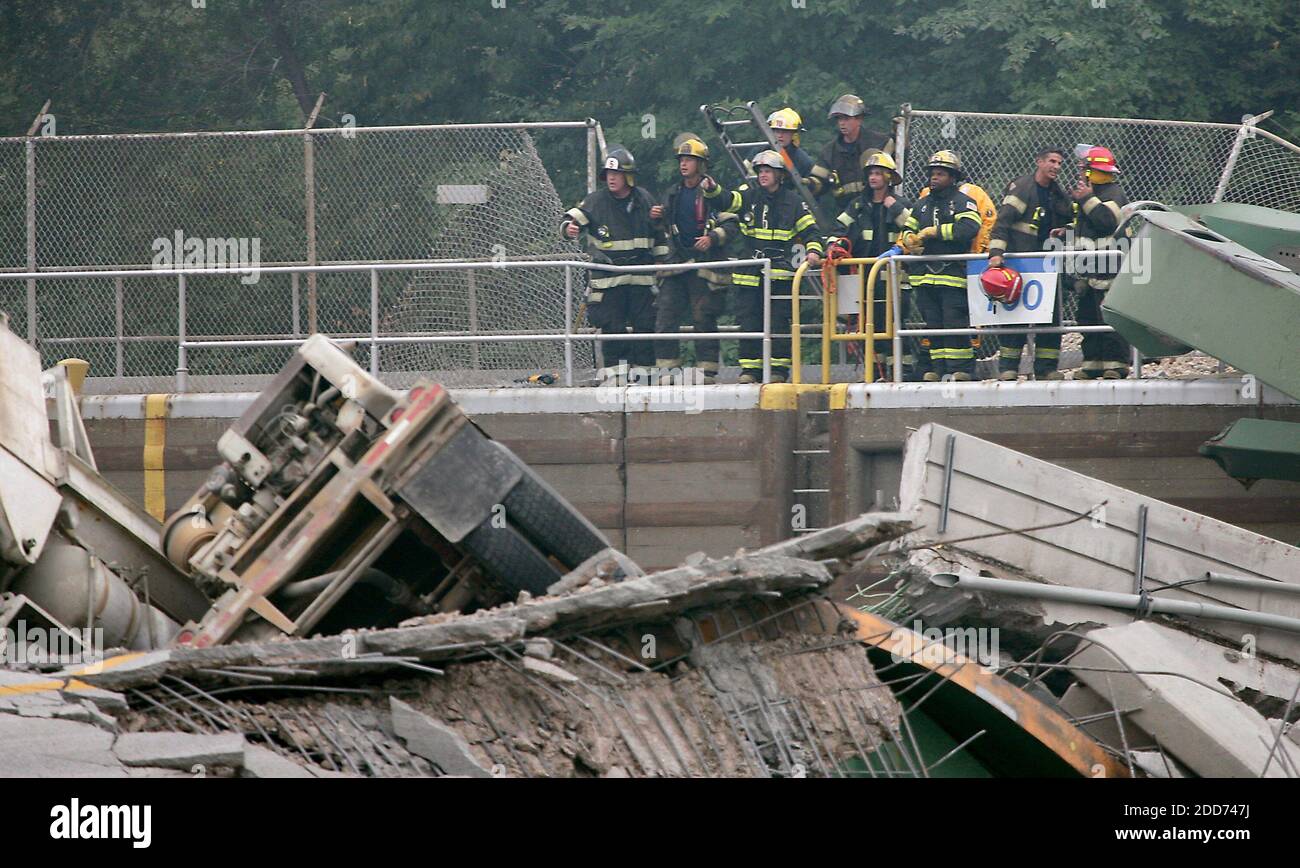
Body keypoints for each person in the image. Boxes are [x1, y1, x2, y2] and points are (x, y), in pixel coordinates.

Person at [702, 150, 824, 383]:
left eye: (768, 171)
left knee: (778, 323)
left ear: (780, 175)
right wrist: (712, 189)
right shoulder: (750, 196)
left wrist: (814, 250)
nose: (763, 175)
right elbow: (727, 200)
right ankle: (750, 370)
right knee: (749, 322)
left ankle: (778, 371)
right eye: (760, 171)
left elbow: (811, 231)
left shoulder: (793, 202)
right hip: (750, 275)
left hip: (779, 275)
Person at [561, 145, 668, 385]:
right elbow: (570, 220)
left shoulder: (644, 199)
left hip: (641, 277)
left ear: (628, 176)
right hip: (608, 279)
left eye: (617, 174)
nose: (611, 178)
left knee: (645, 327)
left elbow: (659, 235)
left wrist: (660, 263)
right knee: (613, 327)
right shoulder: (596, 201)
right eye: (608, 174)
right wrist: (569, 228)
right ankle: (615, 378)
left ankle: (645, 378)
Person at [648, 137, 737, 384]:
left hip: (703, 266)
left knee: (703, 317)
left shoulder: (713, 192)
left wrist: (712, 238)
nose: (683, 164)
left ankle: (706, 373)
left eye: (689, 160)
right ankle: (667, 372)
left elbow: (731, 224)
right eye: (681, 160)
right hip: (677, 265)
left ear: (701, 164)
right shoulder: (674, 193)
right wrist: (656, 216)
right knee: (665, 315)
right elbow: (663, 225)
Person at [987, 147, 1076, 380]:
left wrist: (1065, 231)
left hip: (1048, 266)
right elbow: (1002, 222)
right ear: (1039, 162)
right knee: (1014, 318)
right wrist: (996, 254)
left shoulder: (1058, 195)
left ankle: (1046, 369)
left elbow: (1073, 223)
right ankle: (1008, 369)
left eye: (1059, 163)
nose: (1056, 167)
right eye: (1052, 161)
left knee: (1050, 319)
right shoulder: (1023, 188)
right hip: (1021, 264)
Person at [827, 150, 916, 378]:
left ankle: (901, 371)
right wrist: (833, 246)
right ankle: (877, 372)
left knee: (895, 325)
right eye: (871, 173)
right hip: (864, 277)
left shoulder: (901, 204)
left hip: (893, 278)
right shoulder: (858, 206)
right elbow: (838, 229)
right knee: (870, 327)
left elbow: (914, 229)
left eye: (878, 173)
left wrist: (893, 207)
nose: (873, 177)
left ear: (889, 178)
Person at [899, 151, 982, 381]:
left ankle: (962, 369)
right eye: (933, 173)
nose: (934, 178)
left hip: (953, 276)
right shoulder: (921, 205)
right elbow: (907, 228)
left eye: (940, 174)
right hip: (924, 277)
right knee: (933, 324)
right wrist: (909, 240)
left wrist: (935, 232)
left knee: (954, 322)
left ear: (953, 177)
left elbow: (968, 229)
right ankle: (938, 368)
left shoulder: (964, 202)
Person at [1069, 145, 1132, 379]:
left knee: (1109, 319)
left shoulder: (1114, 193)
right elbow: (1084, 228)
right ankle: (1092, 364)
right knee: (1088, 318)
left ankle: (1116, 365)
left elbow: (1106, 221)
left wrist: (1086, 198)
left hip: (1110, 268)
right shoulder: (1089, 195)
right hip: (1088, 268)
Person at [808, 94, 894, 215]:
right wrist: (810, 184)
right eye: (839, 119)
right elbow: (819, 182)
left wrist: (901, 137)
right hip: (845, 212)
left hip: (878, 209)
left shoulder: (880, 143)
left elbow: (897, 168)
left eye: (846, 118)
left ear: (859, 119)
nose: (842, 123)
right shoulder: (829, 151)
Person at [765, 108, 816, 178]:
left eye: (785, 131)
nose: (780, 135)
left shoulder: (803, 160)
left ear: (794, 134)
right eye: (777, 131)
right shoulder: (761, 150)